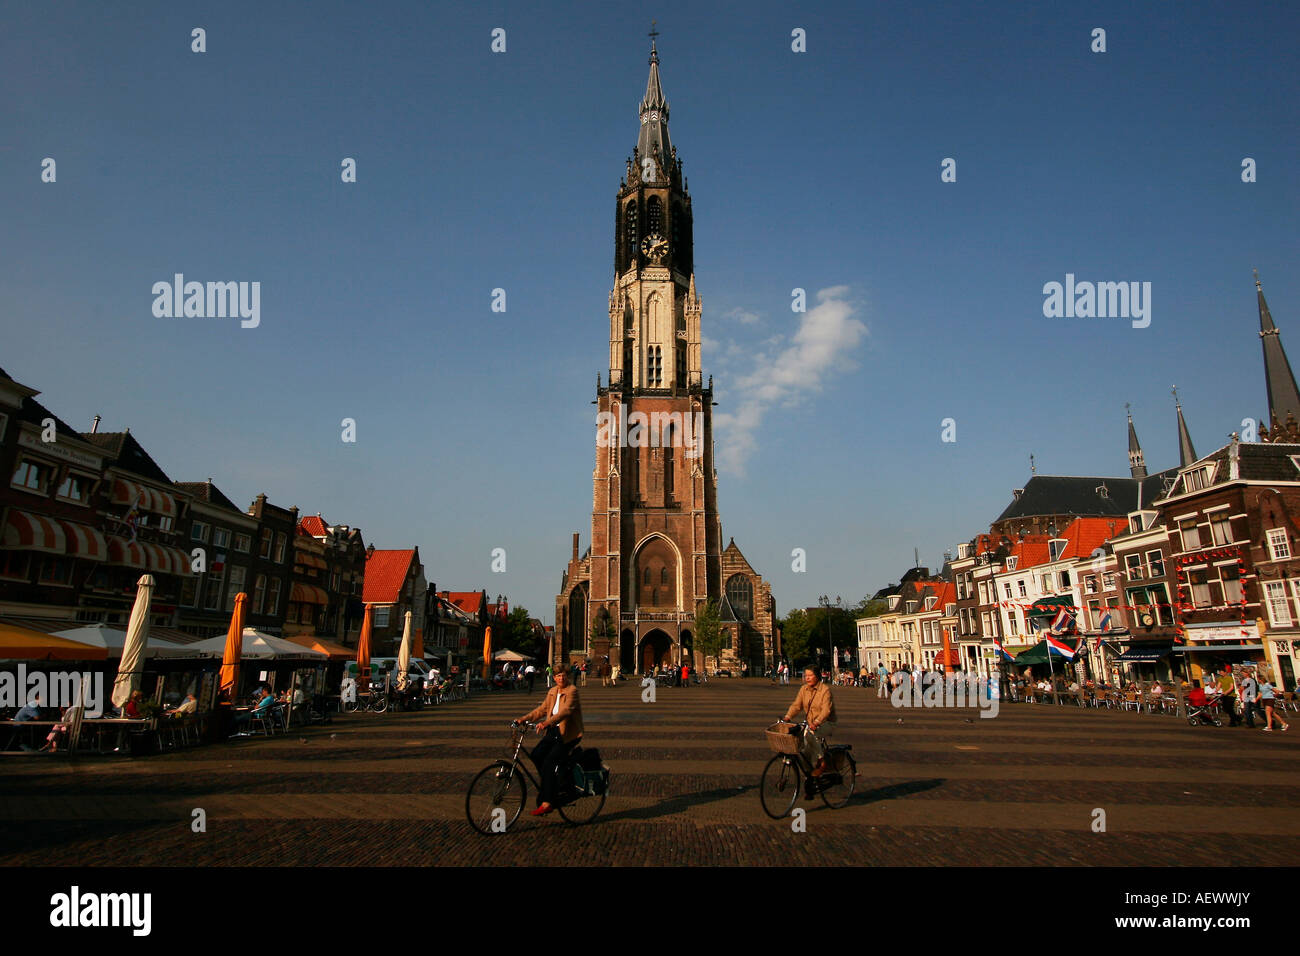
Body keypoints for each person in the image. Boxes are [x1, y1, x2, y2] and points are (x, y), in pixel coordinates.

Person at [516, 662, 584, 816]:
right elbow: (542, 709)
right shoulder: (553, 691)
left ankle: (548, 801)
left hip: (568, 734)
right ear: (554, 678)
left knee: (549, 762)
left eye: (563, 675)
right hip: (554, 732)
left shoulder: (572, 690)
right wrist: (523, 719)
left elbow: (566, 711)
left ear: (568, 676)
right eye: (558, 675)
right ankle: (551, 783)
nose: (561, 678)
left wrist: (547, 722)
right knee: (536, 755)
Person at [783, 667, 837, 776]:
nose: (807, 678)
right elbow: (797, 705)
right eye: (806, 675)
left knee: (810, 735)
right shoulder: (804, 689)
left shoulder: (825, 690)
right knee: (804, 752)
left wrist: (817, 722)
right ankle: (810, 779)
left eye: (810, 675)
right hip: (811, 724)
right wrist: (787, 717)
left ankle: (822, 762)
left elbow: (826, 710)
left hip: (826, 723)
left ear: (817, 676)